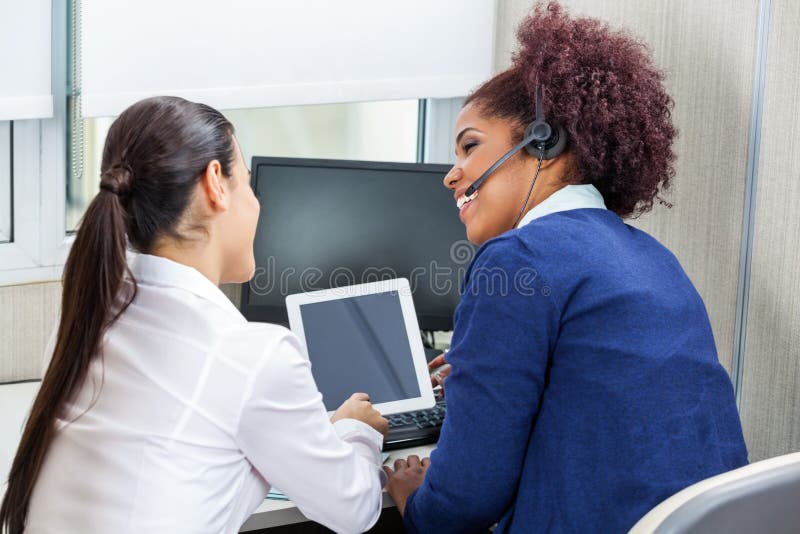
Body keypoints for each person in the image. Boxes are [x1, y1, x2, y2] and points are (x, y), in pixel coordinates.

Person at [384, 2, 748, 532]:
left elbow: (466, 500)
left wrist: (418, 502)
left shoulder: (516, 259)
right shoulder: (652, 256)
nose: (451, 175)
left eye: (469, 147)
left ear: (543, 142)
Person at [0, 96, 388, 534]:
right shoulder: (249, 354)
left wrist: (322, 433)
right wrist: (358, 433)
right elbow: (354, 509)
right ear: (216, 183)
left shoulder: (85, 318)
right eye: (247, 184)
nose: (257, 205)